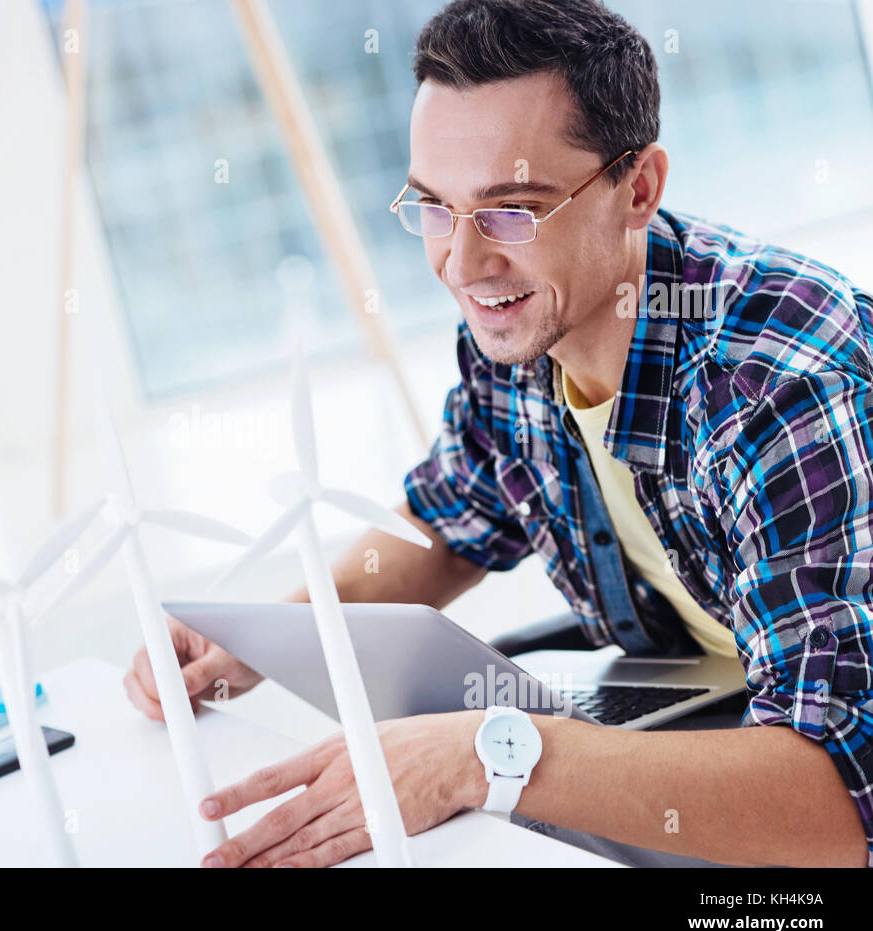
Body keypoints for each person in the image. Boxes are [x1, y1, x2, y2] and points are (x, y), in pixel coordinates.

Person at [124, 0, 873, 868]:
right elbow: (452, 520)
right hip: (717, 712)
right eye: (435, 207)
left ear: (639, 188)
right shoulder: (523, 328)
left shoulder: (782, 389)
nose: (463, 264)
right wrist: (258, 637)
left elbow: (838, 796)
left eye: (512, 209)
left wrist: (485, 757)